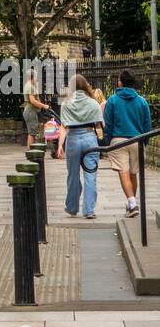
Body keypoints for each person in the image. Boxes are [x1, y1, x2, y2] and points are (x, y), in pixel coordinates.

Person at [103, 68, 153, 218]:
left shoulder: (112, 100)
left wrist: (108, 141)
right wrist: (144, 142)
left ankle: (132, 203)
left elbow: (108, 124)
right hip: (137, 140)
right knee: (133, 173)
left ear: (120, 82)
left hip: (119, 140)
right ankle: (132, 203)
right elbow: (147, 125)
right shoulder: (142, 101)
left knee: (123, 172)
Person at [59, 74, 104, 220]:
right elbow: (100, 124)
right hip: (90, 138)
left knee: (72, 175)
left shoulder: (66, 104)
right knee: (90, 174)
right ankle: (89, 210)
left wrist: (60, 145)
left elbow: (64, 127)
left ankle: (72, 207)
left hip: (73, 138)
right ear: (85, 85)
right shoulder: (93, 103)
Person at [22, 77, 52, 149]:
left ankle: (32, 151)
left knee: (33, 132)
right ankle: (30, 151)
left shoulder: (28, 85)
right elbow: (32, 101)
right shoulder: (30, 87)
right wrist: (44, 106)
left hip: (31, 111)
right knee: (32, 133)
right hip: (30, 111)